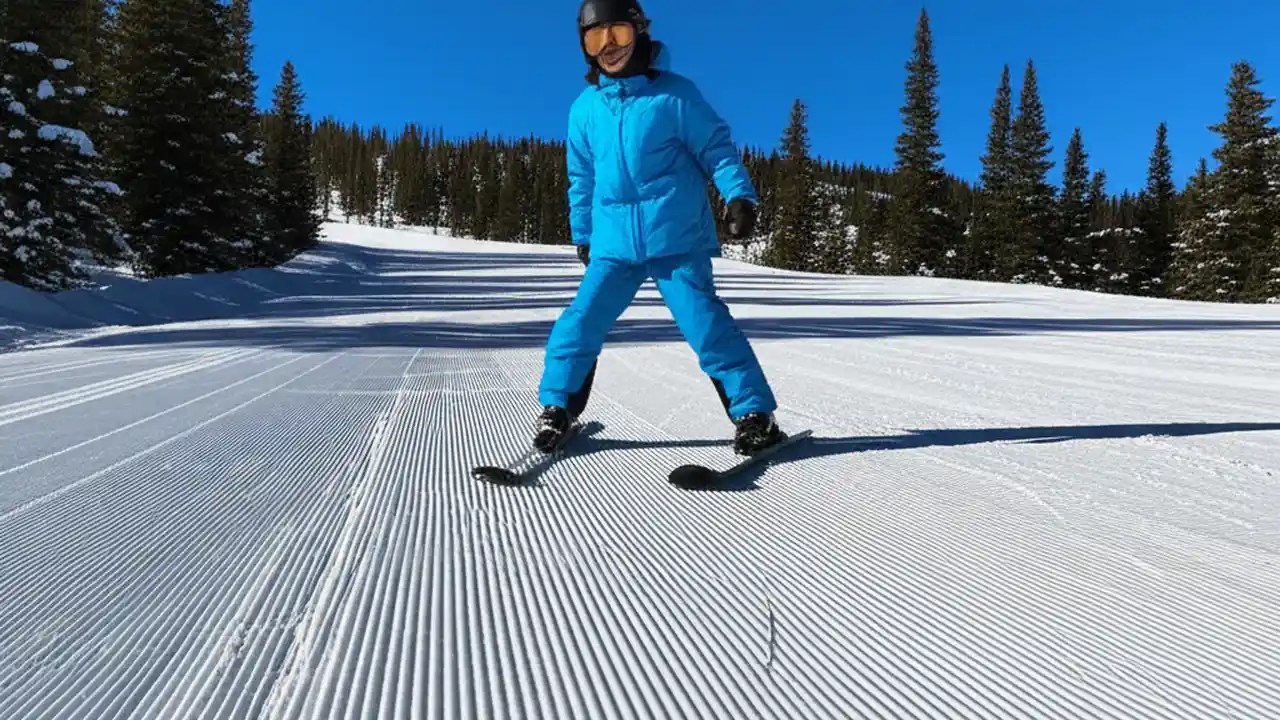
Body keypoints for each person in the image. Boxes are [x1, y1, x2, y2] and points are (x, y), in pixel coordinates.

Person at [535, 0, 785, 457]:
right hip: (612, 242)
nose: (608, 48)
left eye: (619, 35)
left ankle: (753, 415)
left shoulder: (675, 95)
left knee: (705, 324)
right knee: (580, 321)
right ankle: (557, 408)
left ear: (639, 32)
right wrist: (584, 233)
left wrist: (740, 196)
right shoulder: (584, 110)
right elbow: (582, 178)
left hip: (676, 235)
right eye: (596, 39)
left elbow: (717, 150)